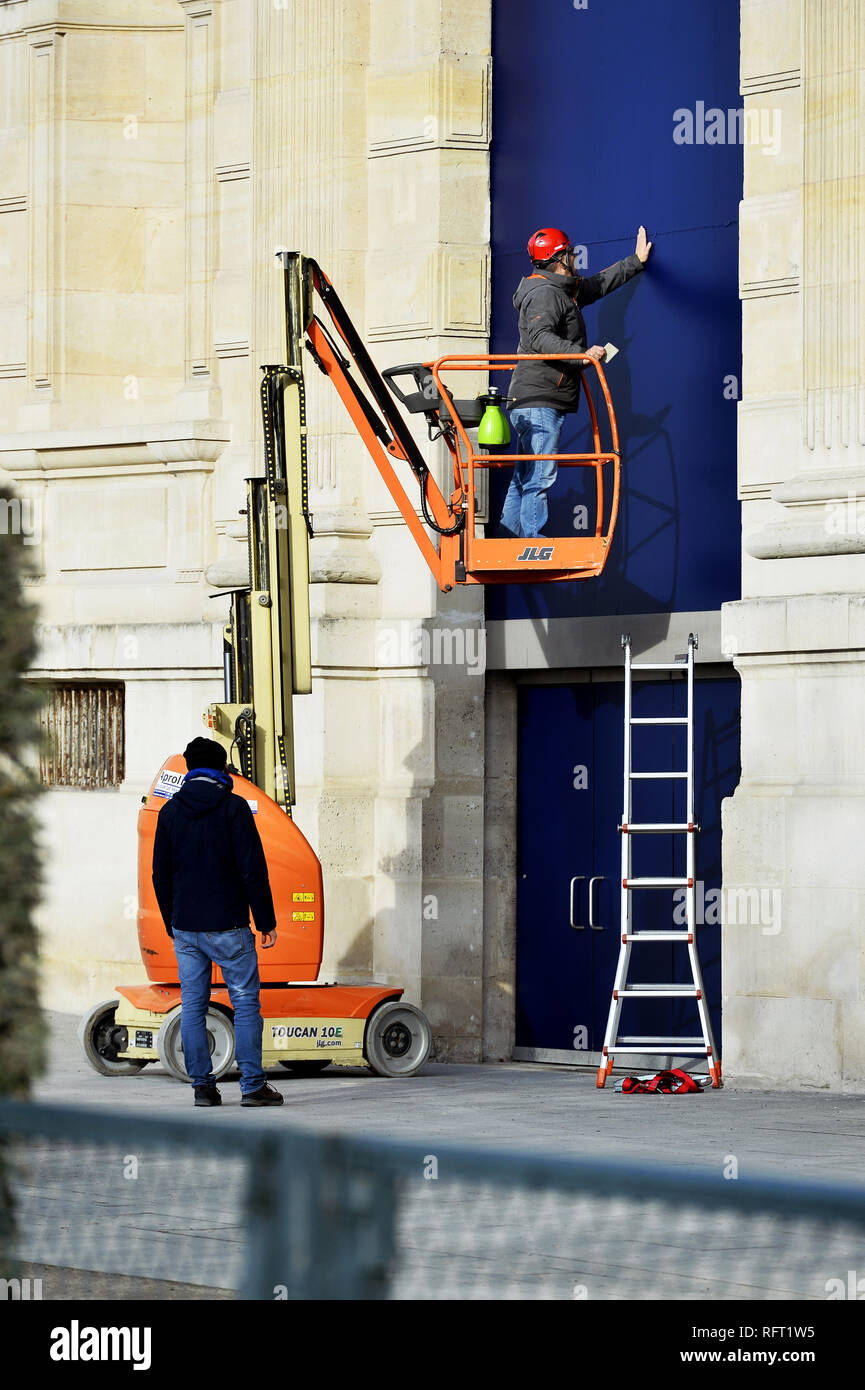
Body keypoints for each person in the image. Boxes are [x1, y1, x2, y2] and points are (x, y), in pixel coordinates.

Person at [151, 736, 284, 1108]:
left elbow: (159, 874)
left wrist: (171, 922)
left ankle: (203, 1089)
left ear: (189, 769)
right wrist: (266, 921)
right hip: (228, 926)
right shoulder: (234, 807)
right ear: (222, 767)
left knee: (193, 1005)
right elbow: (252, 870)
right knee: (243, 1003)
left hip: (186, 928)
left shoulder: (170, 811)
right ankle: (253, 1087)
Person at [499, 225, 652, 539]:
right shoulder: (544, 294)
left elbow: (595, 286)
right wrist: (582, 354)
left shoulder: (560, 289)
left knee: (526, 472)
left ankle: (510, 535)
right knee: (540, 472)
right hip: (539, 398)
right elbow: (541, 338)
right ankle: (531, 541)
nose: (575, 256)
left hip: (535, 397)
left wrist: (635, 261)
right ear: (559, 259)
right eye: (569, 252)